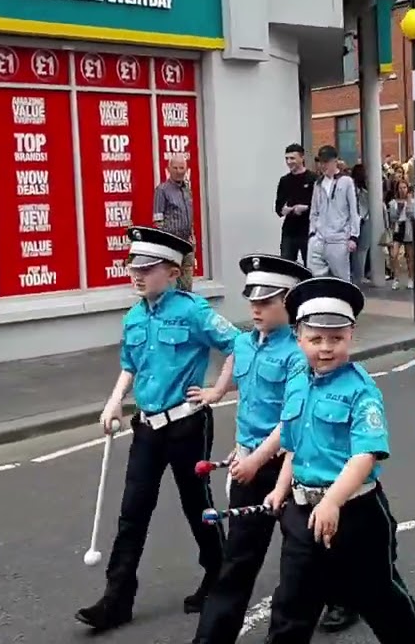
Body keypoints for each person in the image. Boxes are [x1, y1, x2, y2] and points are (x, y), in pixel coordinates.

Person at [76, 226, 238, 632]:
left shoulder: (193, 310)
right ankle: (117, 598)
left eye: (147, 268)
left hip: (186, 423)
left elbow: (239, 344)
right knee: (132, 511)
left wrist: (218, 388)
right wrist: (114, 401)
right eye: (134, 266)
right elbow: (131, 364)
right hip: (147, 427)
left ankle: (217, 573)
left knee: (195, 504)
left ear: (171, 270)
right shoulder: (134, 317)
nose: (137, 274)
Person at [191, 254, 359, 641]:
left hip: (293, 462)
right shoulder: (246, 343)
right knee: (238, 560)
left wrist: (256, 458)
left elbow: (293, 420)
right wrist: (234, 429)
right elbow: (244, 387)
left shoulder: (300, 354)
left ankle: (344, 597)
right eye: (252, 298)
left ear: (288, 303)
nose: (255, 307)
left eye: (266, 300)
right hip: (251, 461)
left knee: (304, 553)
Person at [262, 276, 415, 644]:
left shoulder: (361, 390)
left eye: (336, 338)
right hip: (302, 511)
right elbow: (295, 446)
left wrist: (333, 501)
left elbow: (365, 455)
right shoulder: (297, 384)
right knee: (290, 608)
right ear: (298, 338)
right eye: (316, 339)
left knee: (381, 602)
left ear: (351, 336)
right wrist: (280, 489)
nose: (326, 348)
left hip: (355, 515)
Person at [307, 146, 359, 281]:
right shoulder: (318, 184)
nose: (323, 165)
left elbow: (354, 210)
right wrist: (312, 233)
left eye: (326, 162)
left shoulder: (346, 181)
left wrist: (353, 236)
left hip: (338, 239)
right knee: (316, 280)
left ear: (335, 161)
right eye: (321, 162)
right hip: (318, 239)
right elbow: (314, 211)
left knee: (341, 280)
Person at [154, 152, 197, 291]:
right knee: (171, 283)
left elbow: (188, 215)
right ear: (169, 169)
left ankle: (184, 310)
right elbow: (158, 220)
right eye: (176, 168)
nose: (179, 172)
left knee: (186, 283)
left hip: (187, 244)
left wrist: (192, 235)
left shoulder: (187, 190)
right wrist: (165, 243)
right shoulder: (162, 190)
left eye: (182, 168)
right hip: (171, 245)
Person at [277, 144, 318, 265]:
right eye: (287, 159)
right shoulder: (284, 181)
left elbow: (320, 206)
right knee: (287, 265)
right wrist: (286, 210)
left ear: (302, 158)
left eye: (292, 158)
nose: (289, 162)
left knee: (310, 265)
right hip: (289, 231)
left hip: (308, 230)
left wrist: (305, 208)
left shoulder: (313, 179)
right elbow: (278, 207)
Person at [387, 179, 414, 290]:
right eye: (400, 188)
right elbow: (392, 218)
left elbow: (412, 215)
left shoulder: (412, 201)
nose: (402, 190)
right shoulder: (393, 203)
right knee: (394, 254)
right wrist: (397, 211)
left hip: (408, 228)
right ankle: (396, 278)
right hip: (398, 228)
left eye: (404, 188)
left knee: (409, 256)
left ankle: (411, 278)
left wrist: (408, 204)